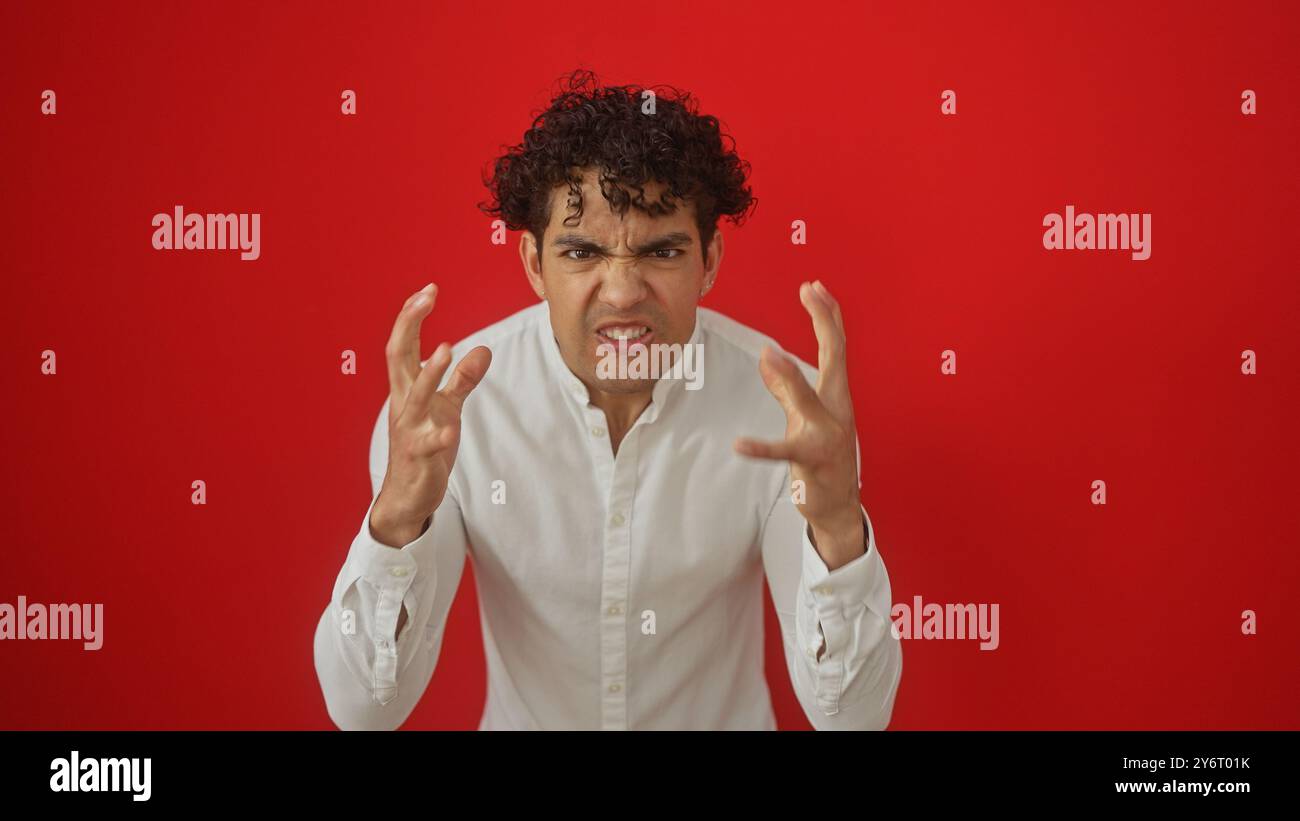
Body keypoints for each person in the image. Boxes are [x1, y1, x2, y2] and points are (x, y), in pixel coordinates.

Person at [313, 70, 902, 730]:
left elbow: (852, 718)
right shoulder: (448, 417)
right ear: (534, 264)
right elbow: (364, 709)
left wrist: (838, 530)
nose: (622, 291)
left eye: (661, 251)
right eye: (582, 251)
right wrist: (396, 519)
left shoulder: (786, 412)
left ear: (709, 259)